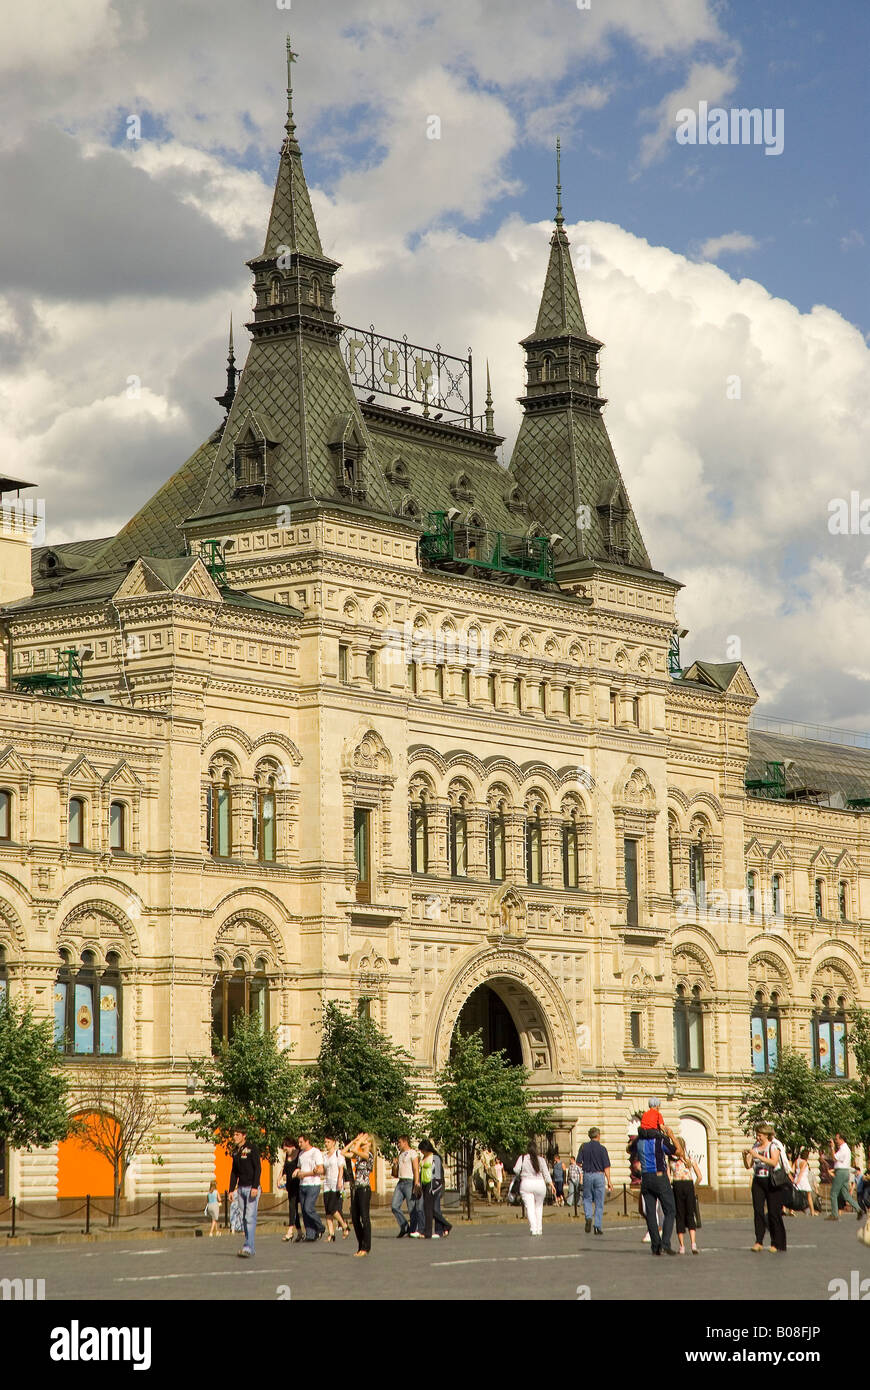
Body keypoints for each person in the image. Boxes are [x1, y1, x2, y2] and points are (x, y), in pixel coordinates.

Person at [743, 1125, 789, 1253]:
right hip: (758, 1181)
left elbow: (774, 1162)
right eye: (757, 1135)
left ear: (766, 1135)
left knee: (774, 1213)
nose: (758, 1137)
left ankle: (776, 1242)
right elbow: (748, 1165)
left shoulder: (773, 1146)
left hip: (772, 1181)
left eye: (760, 1135)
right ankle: (759, 1241)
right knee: (758, 1211)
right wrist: (745, 1156)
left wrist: (757, 1155)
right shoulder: (755, 1147)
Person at [637, 1124, 678, 1255]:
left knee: (650, 1213)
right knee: (670, 1210)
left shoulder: (639, 1141)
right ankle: (665, 1243)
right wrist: (670, 1135)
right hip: (659, 1177)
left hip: (645, 1179)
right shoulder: (660, 1141)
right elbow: (676, 1151)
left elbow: (628, 1149)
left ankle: (655, 1246)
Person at [228, 1125, 261, 1259]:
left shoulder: (252, 1148)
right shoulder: (235, 1151)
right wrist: (231, 1189)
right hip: (241, 1188)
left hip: (251, 1188)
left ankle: (248, 1246)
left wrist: (255, 1186)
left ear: (243, 1135)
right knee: (243, 1218)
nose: (234, 1137)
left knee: (249, 1218)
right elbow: (234, 1172)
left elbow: (258, 1168)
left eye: (237, 1135)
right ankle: (250, 1246)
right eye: (234, 1134)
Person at [513, 1138, 555, 1236]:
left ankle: (533, 1228)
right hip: (540, 1184)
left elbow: (516, 1170)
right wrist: (551, 1184)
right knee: (539, 1207)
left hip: (527, 1183)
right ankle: (539, 1229)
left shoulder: (522, 1158)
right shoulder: (541, 1159)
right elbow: (546, 1174)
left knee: (530, 1208)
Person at [345, 1132, 375, 1256]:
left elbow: (355, 1150)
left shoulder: (368, 1155)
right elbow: (344, 1152)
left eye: (365, 1140)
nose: (363, 1141)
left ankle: (366, 1247)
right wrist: (355, 1140)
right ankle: (360, 1245)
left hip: (364, 1189)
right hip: (357, 1188)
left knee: (365, 1217)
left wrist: (358, 1142)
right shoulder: (358, 1155)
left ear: (369, 1143)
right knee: (355, 1218)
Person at [578, 1127, 612, 1235]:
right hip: (599, 1175)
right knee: (599, 1202)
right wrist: (609, 1181)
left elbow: (578, 1162)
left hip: (587, 1174)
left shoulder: (583, 1147)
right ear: (598, 1136)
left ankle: (588, 1216)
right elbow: (606, 1167)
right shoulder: (603, 1149)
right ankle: (597, 1226)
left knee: (587, 1198)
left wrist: (585, 1166)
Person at [670, 1137, 701, 1254]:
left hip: (681, 1186)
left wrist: (694, 1186)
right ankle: (688, 1245)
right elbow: (699, 1176)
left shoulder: (685, 1159)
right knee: (685, 1214)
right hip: (684, 1186)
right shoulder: (675, 1160)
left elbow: (699, 1176)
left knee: (683, 1215)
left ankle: (687, 1245)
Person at [418, 1138, 452, 1239]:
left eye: (422, 1150)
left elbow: (438, 1174)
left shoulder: (435, 1158)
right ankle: (446, 1225)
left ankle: (428, 1232)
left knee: (430, 1209)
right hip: (424, 1184)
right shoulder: (424, 1157)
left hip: (432, 1185)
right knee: (427, 1209)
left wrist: (435, 1187)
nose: (421, 1152)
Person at [297, 1133, 326, 1242]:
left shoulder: (315, 1152)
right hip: (302, 1184)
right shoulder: (301, 1154)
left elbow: (320, 1169)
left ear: (307, 1141)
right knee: (304, 1211)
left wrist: (306, 1174)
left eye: (301, 1142)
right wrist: (297, 1172)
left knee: (308, 1208)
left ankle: (320, 1227)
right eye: (299, 1142)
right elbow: (299, 1167)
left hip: (313, 1184)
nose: (299, 1144)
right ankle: (310, 1234)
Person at [391, 1135, 422, 1237]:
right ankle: (404, 1226)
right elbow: (395, 1173)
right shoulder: (400, 1154)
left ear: (405, 1142)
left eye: (399, 1142)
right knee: (394, 1206)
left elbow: (415, 1168)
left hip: (409, 1181)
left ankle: (413, 1230)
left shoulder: (412, 1153)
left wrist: (417, 1182)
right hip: (401, 1182)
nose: (398, 1145)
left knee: (411, 1207)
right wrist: (395, 1164)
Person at [827, 1134, 862, 1220]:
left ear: (842, 1139)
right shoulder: (845, 1149)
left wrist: (832, 1147)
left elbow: (834, 1158)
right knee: (845, 1194)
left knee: (833, 1193)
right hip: (844, 1172)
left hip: (841, 1172)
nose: (836, 1140)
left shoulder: (844, 1149)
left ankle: (834, 1214)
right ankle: (859, 1209)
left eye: (837, 1139)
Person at [322, 1135, 349, 1241]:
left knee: (333, 1208)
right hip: (327, 1184)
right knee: (327, 1210)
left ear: (333, 1142)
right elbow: (324, 1170)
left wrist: (339, 1181)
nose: (326, 1144)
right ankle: (331, 1234)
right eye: (325, 1142)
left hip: (335, 1183)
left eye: (328, 1142)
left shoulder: (338, 1154)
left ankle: (344, 1226)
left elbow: (341, 1168)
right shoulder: (324, 1156)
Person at [279, 1138, 303, 1243]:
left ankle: (290, 1231)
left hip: (299, 1185)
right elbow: (284, 1168)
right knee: (293, 1209)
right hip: (290, 1185)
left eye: (286, 1149)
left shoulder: (299, 1155)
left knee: (297, 1207)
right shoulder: (287, 1156)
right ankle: (299, 1232)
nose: (286, 1151)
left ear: (292, 1146)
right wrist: (279, 1178)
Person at [792, 1148, 816, 1217]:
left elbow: (792, 1170)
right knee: (809, 1196)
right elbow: (802, 1172)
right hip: (803, 1180)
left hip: (796, 1178)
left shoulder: (796, 1161)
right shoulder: (805, 1162)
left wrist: (794, 1179)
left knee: (794, 1195)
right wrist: (798, 1180)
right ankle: (812, 1212)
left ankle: (791, 1210)